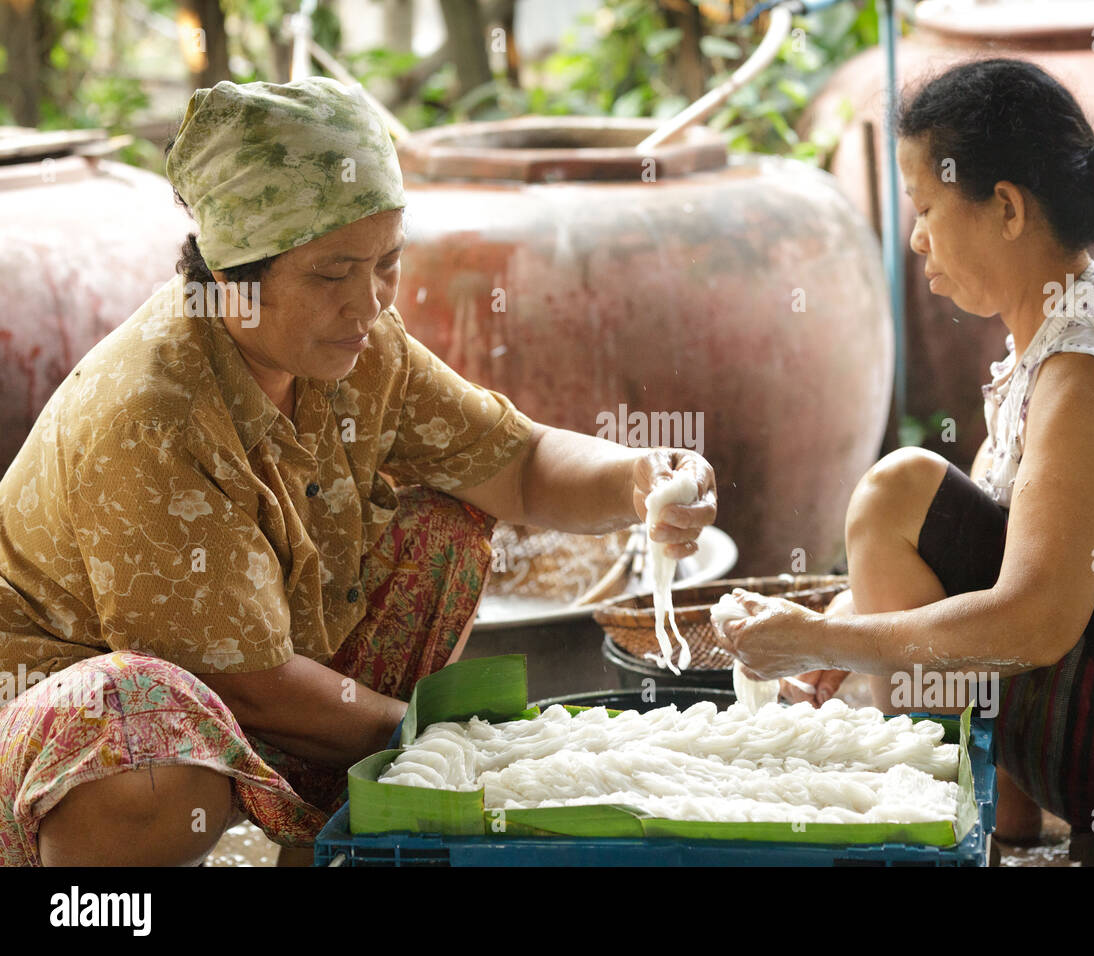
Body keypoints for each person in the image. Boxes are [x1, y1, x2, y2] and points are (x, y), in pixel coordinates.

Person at [0, 77, 716, 866]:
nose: (369, 302)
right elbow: (246, 684)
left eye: (387, 264)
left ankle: (334, 837)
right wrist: (457, 742)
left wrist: (636, 479)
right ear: (236, 275)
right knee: (145, 729)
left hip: (242, 690)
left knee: (442, 531)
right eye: (332, 273)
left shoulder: (360, 347)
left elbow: (517, 463)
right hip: (63, 729)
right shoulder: (151, 412)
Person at [718, 58, 1094, 855]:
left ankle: (963, 830)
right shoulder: (1079, 311)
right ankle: (1007, 824)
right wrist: (847, 615)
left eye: (925, 206)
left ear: (1006, 209)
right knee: (911, 505)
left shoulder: (1089, 375)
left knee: (895, 495)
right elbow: (1004, 524)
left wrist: (823, 644)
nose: (917, 235)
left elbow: (1034, 622)